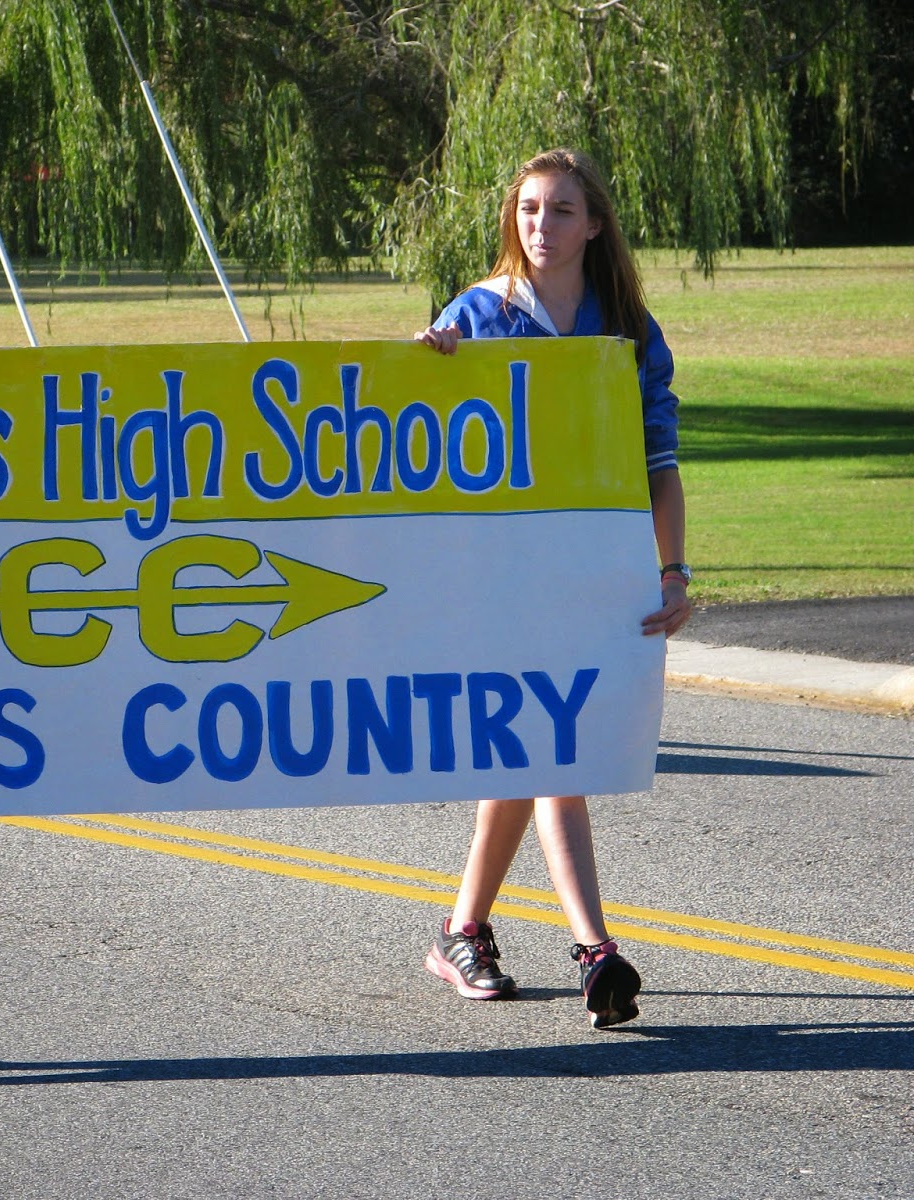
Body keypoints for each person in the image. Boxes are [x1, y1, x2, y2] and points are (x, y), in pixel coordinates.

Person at [412, 148, 690, 1030]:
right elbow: (409, 428)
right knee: (549, 749)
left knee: (527, 754)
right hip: (495, 579)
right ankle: (595, 950)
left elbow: (660, 469)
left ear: (594, 224)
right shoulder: (478, 313)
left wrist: (673, 572)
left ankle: (462, 931)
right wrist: (432, 363)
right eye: (529, 209)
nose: (542, 225)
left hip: (588, 576)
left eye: (562, 210)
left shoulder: (631, 333)